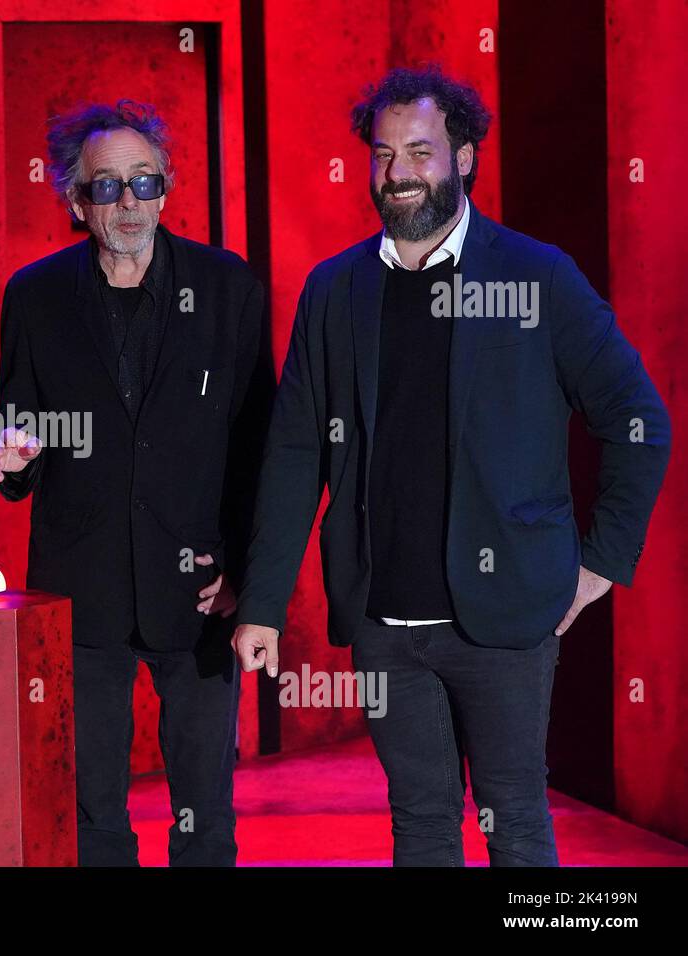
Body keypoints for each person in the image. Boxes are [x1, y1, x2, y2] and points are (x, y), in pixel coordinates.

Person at [231, 66, 671, 866]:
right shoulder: (336, 289)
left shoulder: (535, 276)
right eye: (384, 153)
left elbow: (639, 420)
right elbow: (295, 451)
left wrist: (603, 561)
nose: (398, 173)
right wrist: (261, 603)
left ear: (463, 158)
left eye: (421, 152)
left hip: (504, 621)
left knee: (516, 819)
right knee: (422, 823)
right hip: (383, 622)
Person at [0, 101, 266, 866]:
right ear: (75, 201)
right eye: (106, 187)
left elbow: (260, 446)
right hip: (82, 588)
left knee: (205, 816)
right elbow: (17, 427)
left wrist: (249, 573)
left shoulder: (226, 287)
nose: (129, 202)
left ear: (167, 190)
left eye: (144, 182)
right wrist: (11, 459)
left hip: (203, 586)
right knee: (92, 815)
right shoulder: (35, 295)